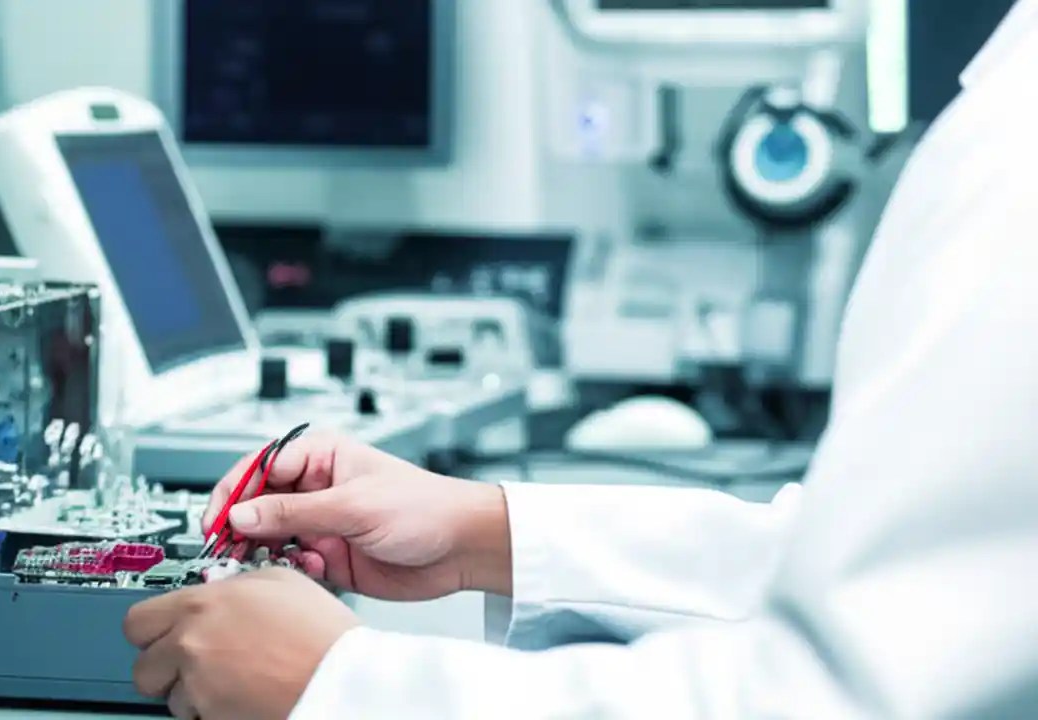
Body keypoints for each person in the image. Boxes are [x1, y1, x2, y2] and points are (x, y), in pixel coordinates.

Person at [122, 3, 1038, 718]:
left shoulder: (1013, 153)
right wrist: (484, 531)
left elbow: (836, 698)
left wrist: (342, 687)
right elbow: (899, 586)